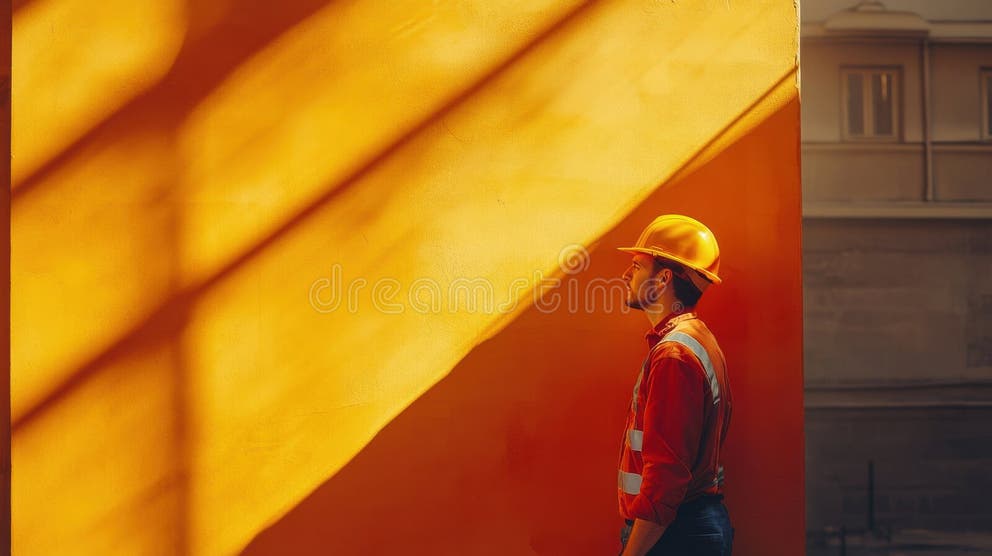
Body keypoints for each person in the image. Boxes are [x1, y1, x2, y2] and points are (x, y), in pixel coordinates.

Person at [615, 214, 734, 556]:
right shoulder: (696, 338)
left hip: (674, 534)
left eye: (637, 266)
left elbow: (665, 476)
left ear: (664, 278)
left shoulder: (674, 355)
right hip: (687, 526)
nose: (626, 275)